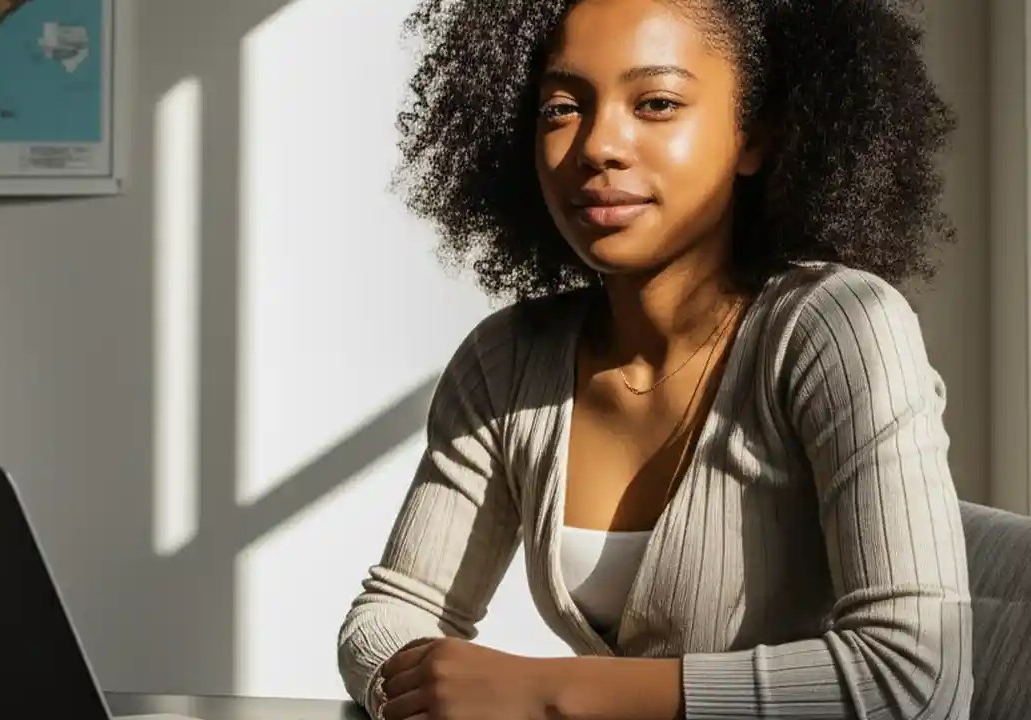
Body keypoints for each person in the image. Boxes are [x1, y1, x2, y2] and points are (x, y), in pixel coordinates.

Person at [335, 0, 974, 718]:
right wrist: (422, 693)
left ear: (756, 134)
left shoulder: (838, 327)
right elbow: (391, 612)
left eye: (657, 103)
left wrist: (548, 693)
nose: (598, 145)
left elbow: (915, 678)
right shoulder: (510, 361)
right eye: (561, 109)